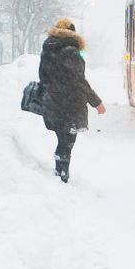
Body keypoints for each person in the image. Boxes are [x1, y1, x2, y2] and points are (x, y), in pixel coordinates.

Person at [38, 17, 104, 183]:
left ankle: (60, 171)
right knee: (67, 140)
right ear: (73, 33)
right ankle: (62, 175)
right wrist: (96, 102)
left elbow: (43, 77)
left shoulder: (47, 50)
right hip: (70, 103)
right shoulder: (71, 52)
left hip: (52, 101)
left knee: (62, 138)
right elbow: (79, 81)